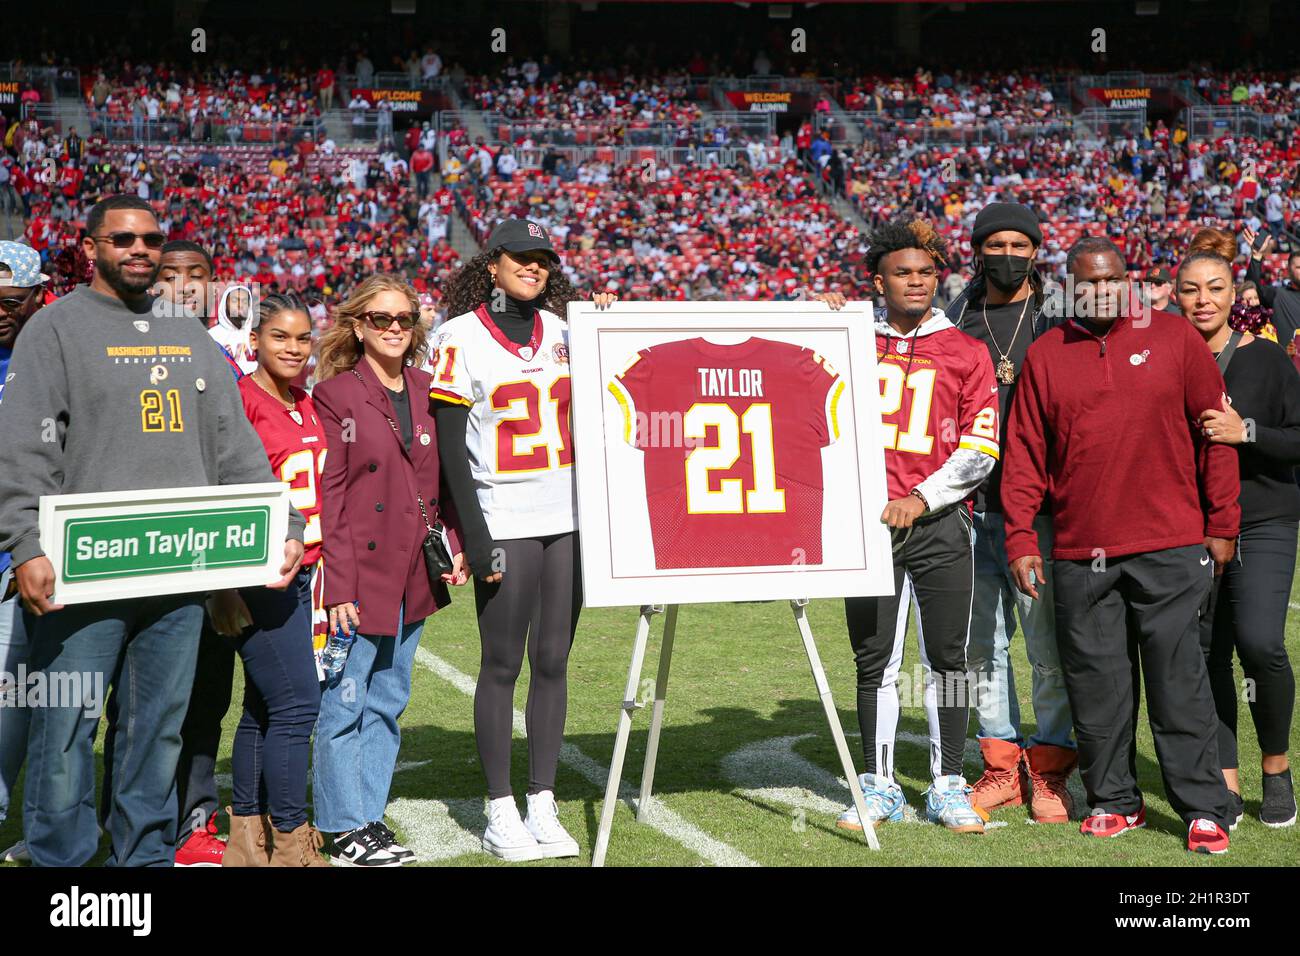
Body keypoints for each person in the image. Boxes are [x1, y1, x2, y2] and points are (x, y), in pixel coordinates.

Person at [0, 195, 306, 867]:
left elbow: (237, 450)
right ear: (90, 248)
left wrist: (281, 520)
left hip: (175, 573)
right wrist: (26, 543)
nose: (139, 249)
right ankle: (65, 864)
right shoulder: (53, 330)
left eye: (150, 240)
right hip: (82, 570)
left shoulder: (188, 334)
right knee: (64, 732)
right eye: (123, 239)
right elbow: (23, 449)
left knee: (155, 731)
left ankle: (142, 861)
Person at [1002, 235, 1239, 854]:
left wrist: (1222, 523)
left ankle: (1203, 807)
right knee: (1097, 686)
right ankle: (1115, 800)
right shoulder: (1047, 354)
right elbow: (1025, 452)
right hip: (1081, 551)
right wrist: (1022, 533)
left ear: (1128, 280)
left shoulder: (1175, 337)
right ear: (1069, 287)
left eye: (1113, 281)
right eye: (1089, 284)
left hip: (1170, 542)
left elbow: (1216, 429)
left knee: (1178, 681)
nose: (1103, 292)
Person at [432, 219, 615, 860]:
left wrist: (609, 323)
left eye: (543, 259)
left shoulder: (570, 332)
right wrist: (473, 535)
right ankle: (499, 808)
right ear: (494, 264)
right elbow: (452, 448)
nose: (533, 268)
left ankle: (542, 798)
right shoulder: (456, 337)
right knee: (503, 663)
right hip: (504, 518)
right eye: (521, 258)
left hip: (568, 518)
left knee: (556, 662)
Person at [818, 218, 998, 834]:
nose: (916, 281)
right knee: (875, 662)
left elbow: (981, 447)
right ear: (878, 280)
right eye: (903, 272)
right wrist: (819, 319)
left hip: (941, 524)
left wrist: (921, 498)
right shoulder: (846, 340)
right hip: (867, 526)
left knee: (948, 659)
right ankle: (879, 782)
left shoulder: (968, 351)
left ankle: (948, 782)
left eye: (925, 272)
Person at [311, 274, 467, 867]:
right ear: (358, 325)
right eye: (382, 319)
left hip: (414, 573)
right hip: (360, 573)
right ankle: (342, 823)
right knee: (345, 700)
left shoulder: (432, 389)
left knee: (388, 699)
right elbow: (333, 497)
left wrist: (453, 541)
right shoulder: (337, 396)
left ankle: (368, 818)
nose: (395, 328)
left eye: (405, 319)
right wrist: (340, 585)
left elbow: (449, 481)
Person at [946, 203, 1075, 823]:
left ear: (1035, 251)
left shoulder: (1058, 315)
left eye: (1019, 243)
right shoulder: (956, 317)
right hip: (971, 508)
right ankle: (1001, 764)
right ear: (977, 250)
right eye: (995, 242)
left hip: (1041, 508)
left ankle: (1050, 770)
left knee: (1047, 646)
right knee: (981, 651)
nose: (1007, 252)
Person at [1180, 228, 1298, 829]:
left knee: (1258, 642)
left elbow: (1297, 440)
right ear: (1175, 296)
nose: (1203, 299)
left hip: (1264, 518)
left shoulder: (1266, 356)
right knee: (1204, 656)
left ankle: (1275, 766)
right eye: (1191, 289)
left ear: (1234, 293)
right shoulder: (1163, 356)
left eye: (1215, 288)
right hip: (1188, 527)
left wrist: (1244, 431)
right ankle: (1223, 778)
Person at [209, 293, 330, 865]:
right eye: (280, 336)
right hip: (261, 577)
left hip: (301, 573)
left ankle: (247, 840)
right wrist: (224, 585)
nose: (294, 348)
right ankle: (290, 841)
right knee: (299, 705)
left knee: (264, 705)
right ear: (253, 340)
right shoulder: (241, 402)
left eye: (303, 338)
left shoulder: (305, 402)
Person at [0, 241, 48, 864]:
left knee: (19, 701)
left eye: (12, 301)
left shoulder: (54, 354)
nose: (1, 312)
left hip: (26, 557)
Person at [1243, 227, 1300, 348]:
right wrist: (1256, 256)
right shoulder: (1277, 295)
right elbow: (1250, 288)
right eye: (1299, 267)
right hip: (1286, 363)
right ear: (1288, 271)